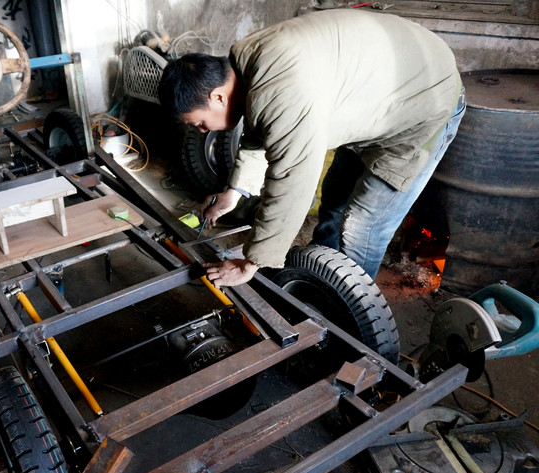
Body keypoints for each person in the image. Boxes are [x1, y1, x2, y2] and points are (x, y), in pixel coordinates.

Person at [158, 9, 465, 288]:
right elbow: (258, 130)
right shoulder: (247, 64)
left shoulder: (280, 90)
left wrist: (253, 261)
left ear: (217, 98)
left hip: (423, 100)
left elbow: (293, 180)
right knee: (335, 199)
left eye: (198, 122)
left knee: (362, 227)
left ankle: (350, 310)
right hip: (373, 93)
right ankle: (322, 276)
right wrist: (234, 192)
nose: (202, 131)